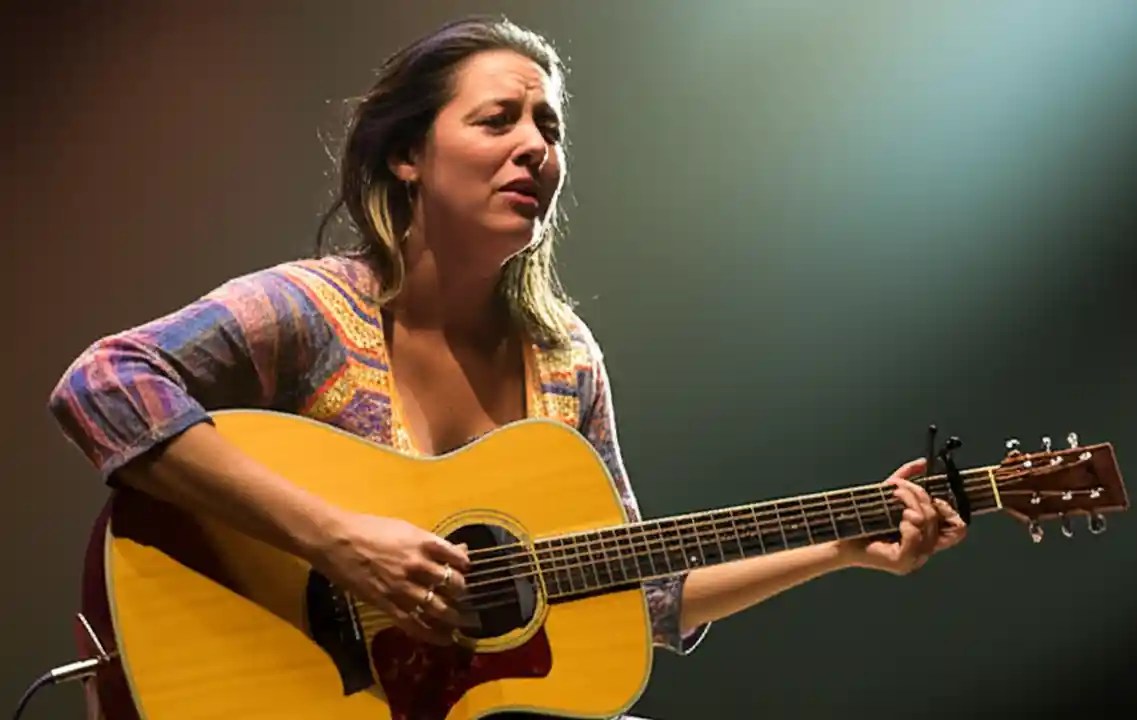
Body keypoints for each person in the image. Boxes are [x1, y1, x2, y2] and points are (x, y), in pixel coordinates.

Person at [47, 14, 967, 719]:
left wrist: (843, 547)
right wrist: (339, 541)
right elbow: (103, 386)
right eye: (498, 119)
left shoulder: (566, 363)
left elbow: (645, 597)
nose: (537, 145)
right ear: (407, 156)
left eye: (549, 127)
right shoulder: (310, 310)